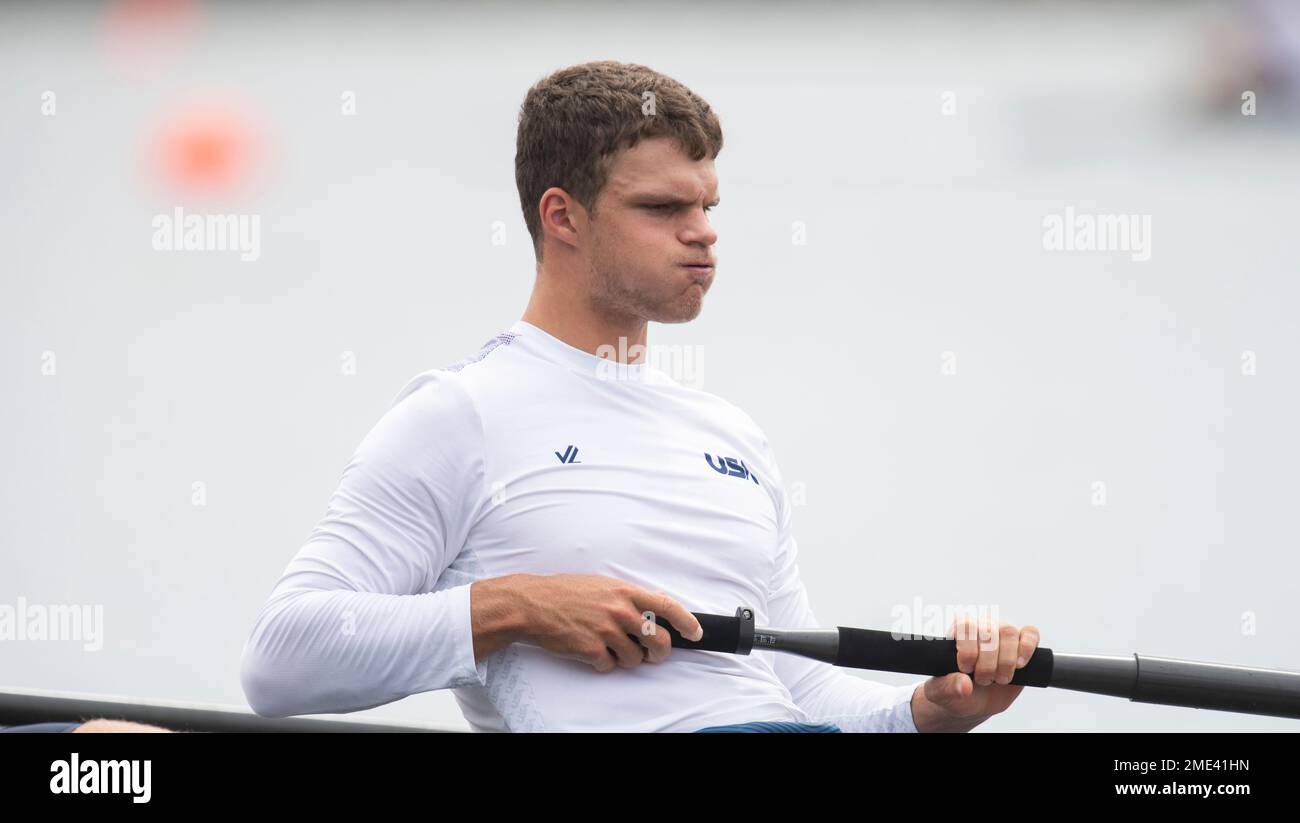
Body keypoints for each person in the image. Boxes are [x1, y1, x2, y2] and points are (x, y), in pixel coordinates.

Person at [240, 60, 1041, 732]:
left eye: (707, 206)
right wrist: (514, 607)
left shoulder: (733, 435)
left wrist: (932, 709)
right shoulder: (461, 416)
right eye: (663, 208)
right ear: (563, 216)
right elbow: (280, 660)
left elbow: (802, 688)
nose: (704, 231)